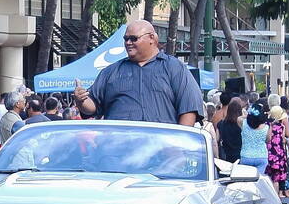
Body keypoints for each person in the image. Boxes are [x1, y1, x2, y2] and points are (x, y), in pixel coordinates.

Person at [73, 20, 201, 125]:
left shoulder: (174, 67)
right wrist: (81, 100)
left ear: (151, 38)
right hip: (119, 150)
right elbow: (92, 106)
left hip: (162, 150)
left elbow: (189, 109)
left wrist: (177, 146)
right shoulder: (111, 71)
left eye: (133, 39)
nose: (128, 43)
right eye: (126, 39)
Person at [239, 102, 274, 195]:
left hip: (246, 156)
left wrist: (248, 116)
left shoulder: (243, 123)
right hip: (261, 156)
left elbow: (239, 118)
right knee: (258, 181)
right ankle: (257, 198)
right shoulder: (267, 127)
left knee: (246, 182)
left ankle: (248, 197)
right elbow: (268, 140)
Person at [267, 104, 289, 197]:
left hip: (269, 152)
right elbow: (284, 139)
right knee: (277, 176)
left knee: (269, 176)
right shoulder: (281, 127)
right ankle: (278, 195)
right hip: (279, 152)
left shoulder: (267, 126)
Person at [217, 97, 244, 163]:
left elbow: (217, 139)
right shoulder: (242, 124)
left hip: (226, 155)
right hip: (240, 155)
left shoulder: (221, 124)